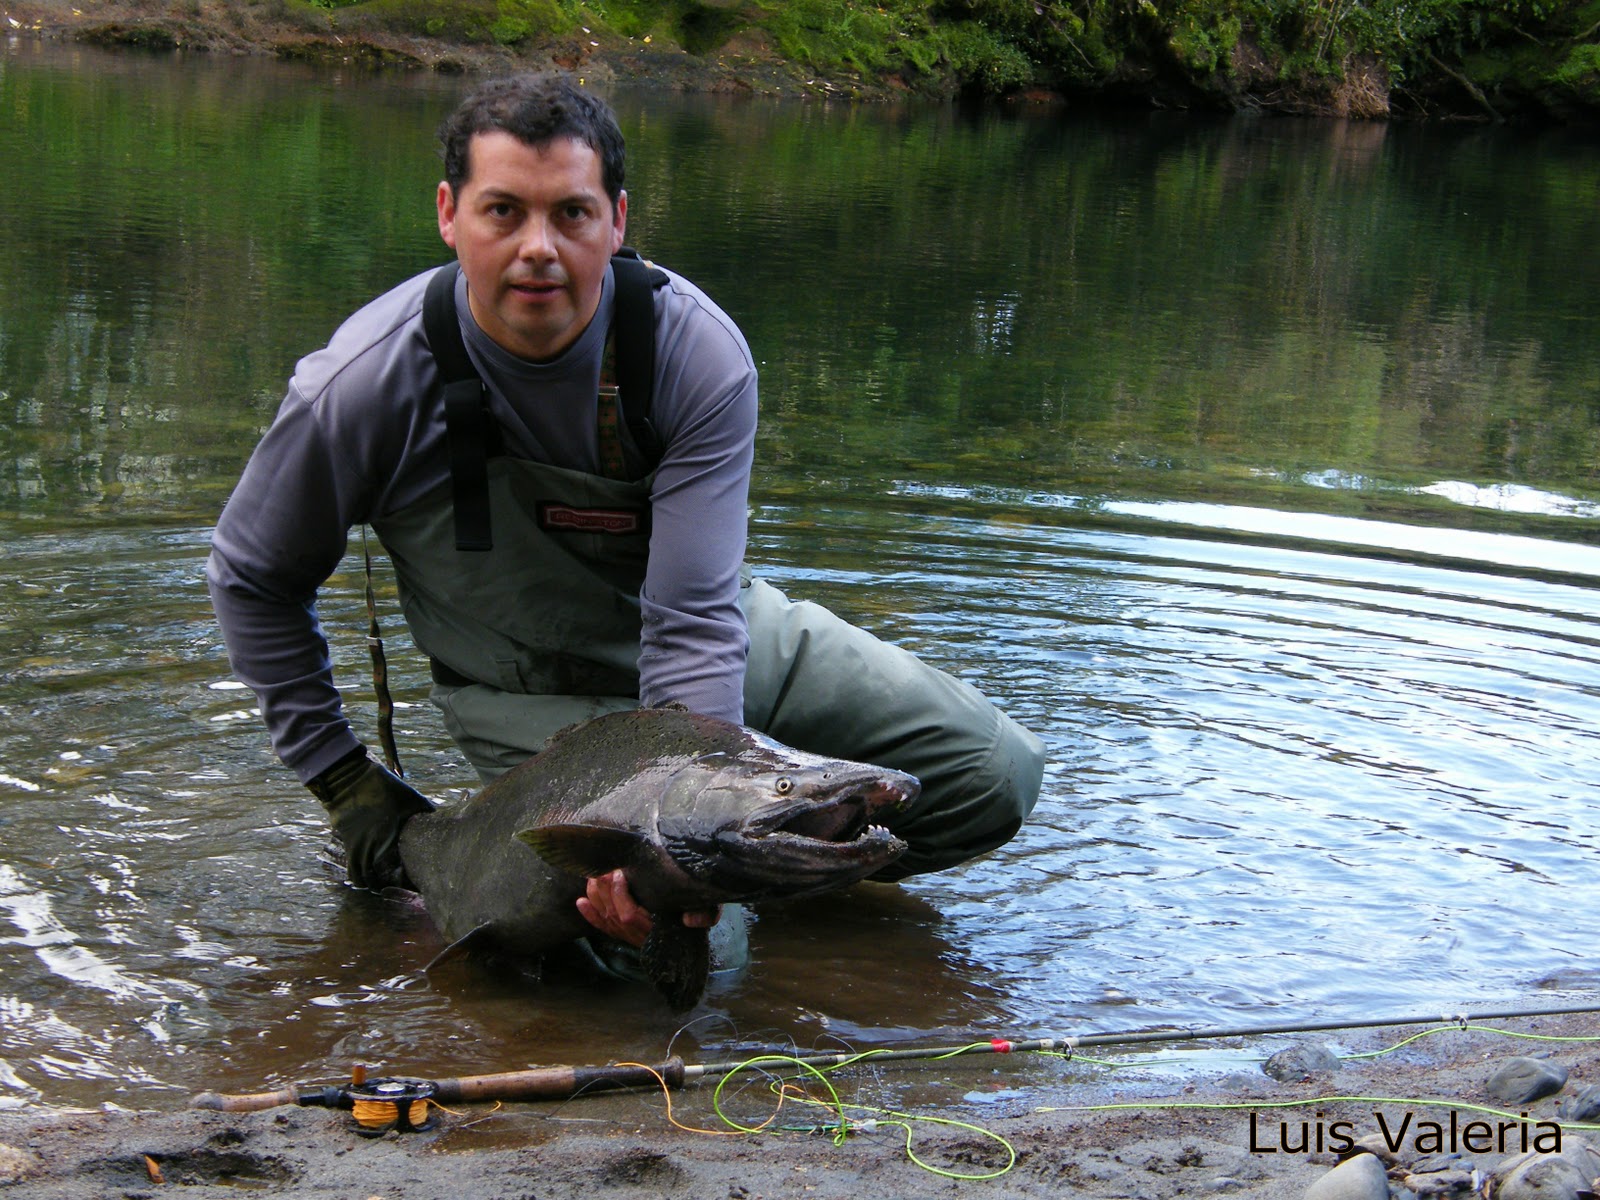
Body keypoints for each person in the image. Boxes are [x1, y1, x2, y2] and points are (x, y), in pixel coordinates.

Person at [207, 72, 1044, 958]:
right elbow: (253, 578)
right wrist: (345, 784)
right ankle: (650, 917)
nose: (538, 247)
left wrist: (691, 827)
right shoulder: (360, 387)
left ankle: (778, 885)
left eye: (571, 213)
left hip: (710, 647)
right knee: (689, 956)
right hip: (525, 690)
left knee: (991, 774)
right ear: (450, 215)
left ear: (617, 220)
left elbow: (691, 621)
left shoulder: (693, 353)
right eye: (503, 212)